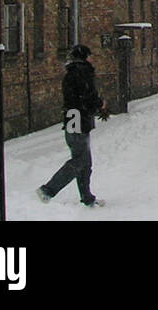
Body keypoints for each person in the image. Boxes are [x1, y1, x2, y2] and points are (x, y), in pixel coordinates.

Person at [38, 44, 109, 207]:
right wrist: (100, 104)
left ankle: (87, 197)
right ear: (84, 57)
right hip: (78, 118)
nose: (92, 59)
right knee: (80, 160)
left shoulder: (72, 72)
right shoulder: (82, 72)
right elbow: (87, 96)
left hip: (73, 117)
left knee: (85, 161)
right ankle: (48, 190)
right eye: (90, 56)